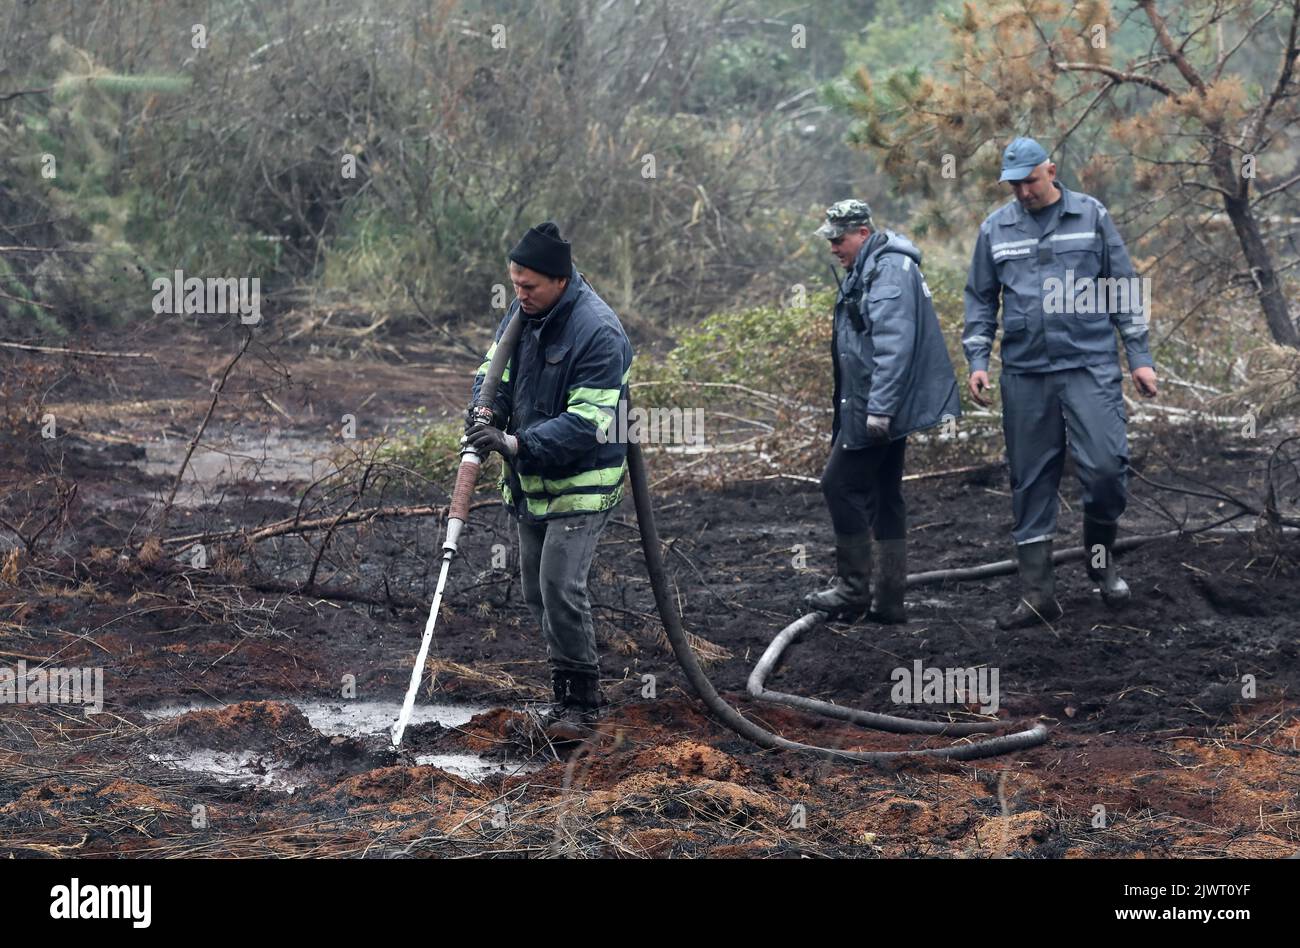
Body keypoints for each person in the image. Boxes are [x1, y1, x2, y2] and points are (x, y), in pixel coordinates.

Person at [962, 137, 1159, 629]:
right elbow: (981, 299)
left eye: (1030, 180)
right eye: (1014, 184)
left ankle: (1100, 562)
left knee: (1108, 469)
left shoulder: (1091, 216)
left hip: (1088, 364)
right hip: (1026, 371)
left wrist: (1139, 357)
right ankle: (1037, 594)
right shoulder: (996, 229)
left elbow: (1124, 289)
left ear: (1051, 170)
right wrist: (977, 359)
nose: (1023, 192)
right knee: (1030, 480)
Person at [465, 221, 633, 739]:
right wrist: (484, 410)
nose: (519, 295)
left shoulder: (598, 332)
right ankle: (563, 696)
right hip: (531, 481)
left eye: (529, 286)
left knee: (561, 586)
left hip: (582, 480)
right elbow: (494, 374)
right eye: (515, 285)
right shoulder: (521, 316)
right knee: (537, 591)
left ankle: (584, 706)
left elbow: (587, 423)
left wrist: (516, 445)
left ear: (560, 280)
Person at [805, 200, 960, 623]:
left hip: (876, 406)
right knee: (885, 494)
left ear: (863, 233)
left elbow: (893, 346)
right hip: (877, 403)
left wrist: (880, 411)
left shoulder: (888, 269)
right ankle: (889, 601)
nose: (833, 247)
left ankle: (853, 590)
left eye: (839, 239)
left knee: (837, 484)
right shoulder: (874, 265)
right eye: (831, 239)